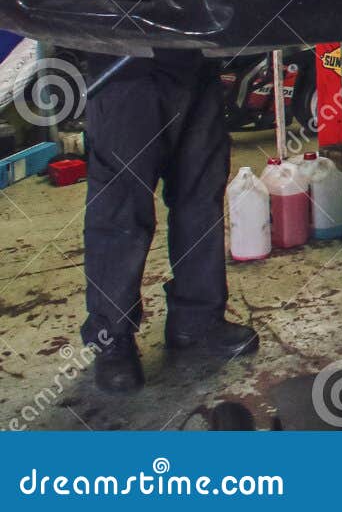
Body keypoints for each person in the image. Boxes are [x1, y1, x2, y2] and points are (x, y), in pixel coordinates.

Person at [81, 52, 258, 392]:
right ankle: (111, 336)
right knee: (122, 206)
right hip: (125, 58)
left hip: (194, 56)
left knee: (201, 192)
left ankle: (196, 318)